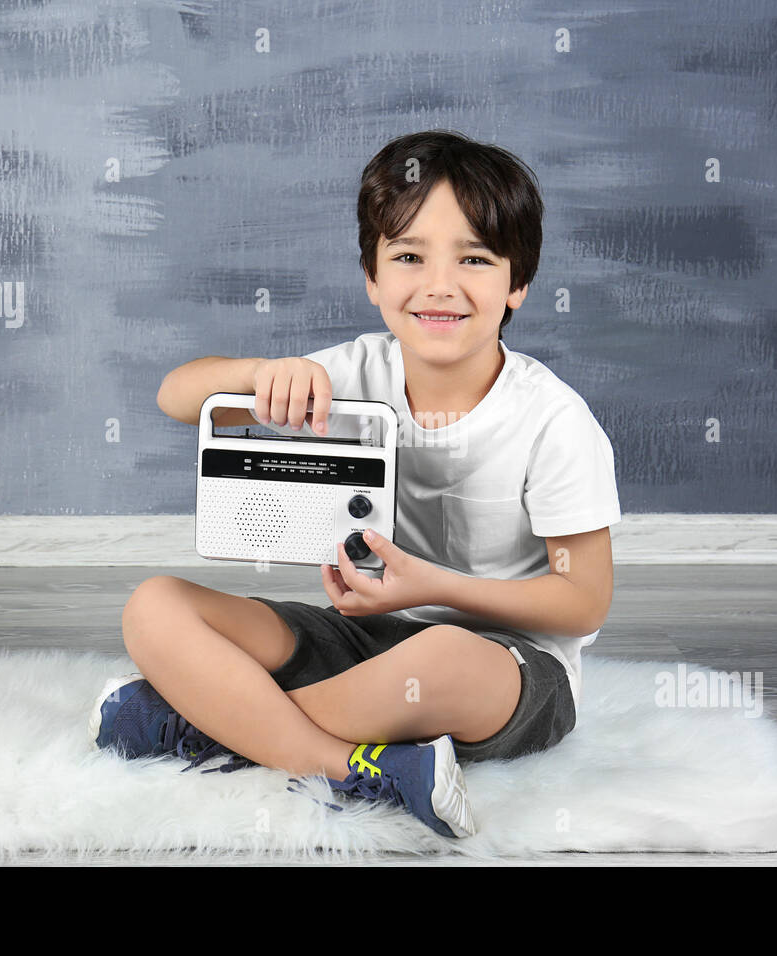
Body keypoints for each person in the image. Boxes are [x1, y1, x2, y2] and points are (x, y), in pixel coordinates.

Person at [90, 130, 621, 839]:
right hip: (365, 637)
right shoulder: (349, 373)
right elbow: (175, 395)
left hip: (508, 669)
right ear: (372, 277)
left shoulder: (554, 420)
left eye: (474, 259)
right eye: (408, 257)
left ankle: (203, 722)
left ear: (517, 282)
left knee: (437, 656)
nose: (438, 285)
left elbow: (581, 601)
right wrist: (257, 376)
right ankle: (345, 767)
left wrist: (430, 586)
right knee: (154, 607)